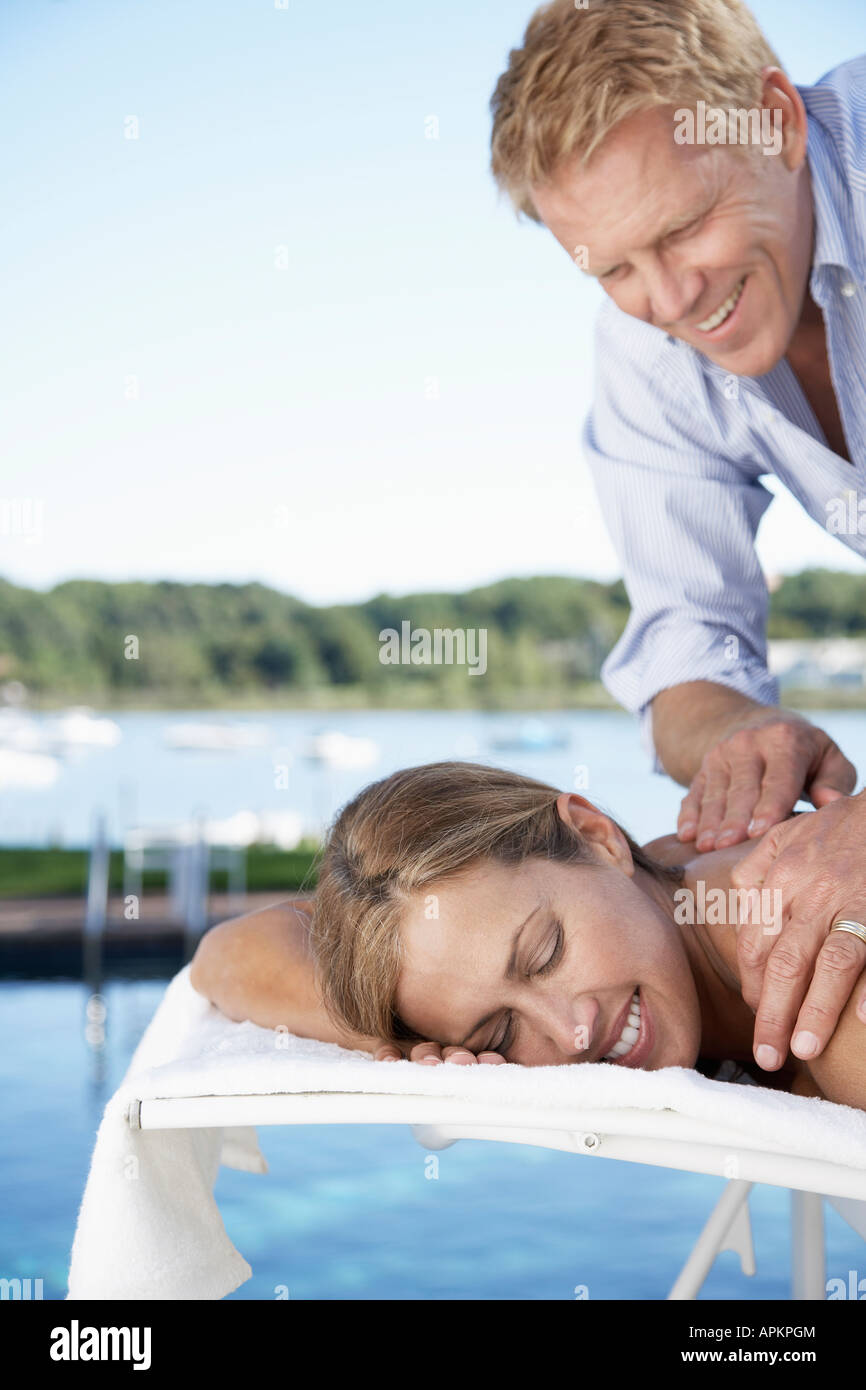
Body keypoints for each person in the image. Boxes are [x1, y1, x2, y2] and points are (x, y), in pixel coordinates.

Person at [487, 0, 866, 1071]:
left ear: (776, 124)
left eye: (680, 229)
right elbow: (682, 657)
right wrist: (739, 734)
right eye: (611, 268)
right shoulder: (645, 349)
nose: (667, 299)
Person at [190, 761, 866, 1112]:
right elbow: (227, 954)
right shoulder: (666, 880)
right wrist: (396, 1041)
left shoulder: (829, 1003)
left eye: (546, 954)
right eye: (499, 1036)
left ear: (597, 837)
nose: (571, 1032)